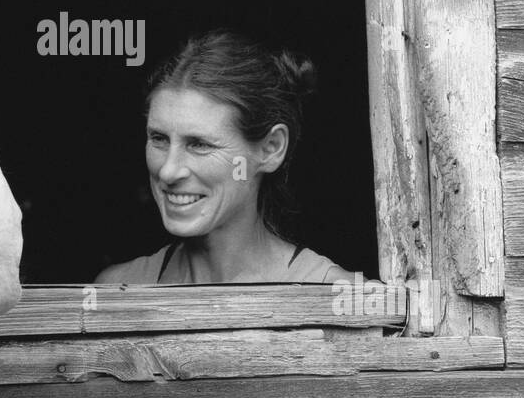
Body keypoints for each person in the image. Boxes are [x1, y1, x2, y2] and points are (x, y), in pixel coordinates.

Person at [96, 30, 361, 286]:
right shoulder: (117, 289)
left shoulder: (333, 295)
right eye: (159, 139)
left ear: (270, 149)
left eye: (199, 144)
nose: (168, 171)